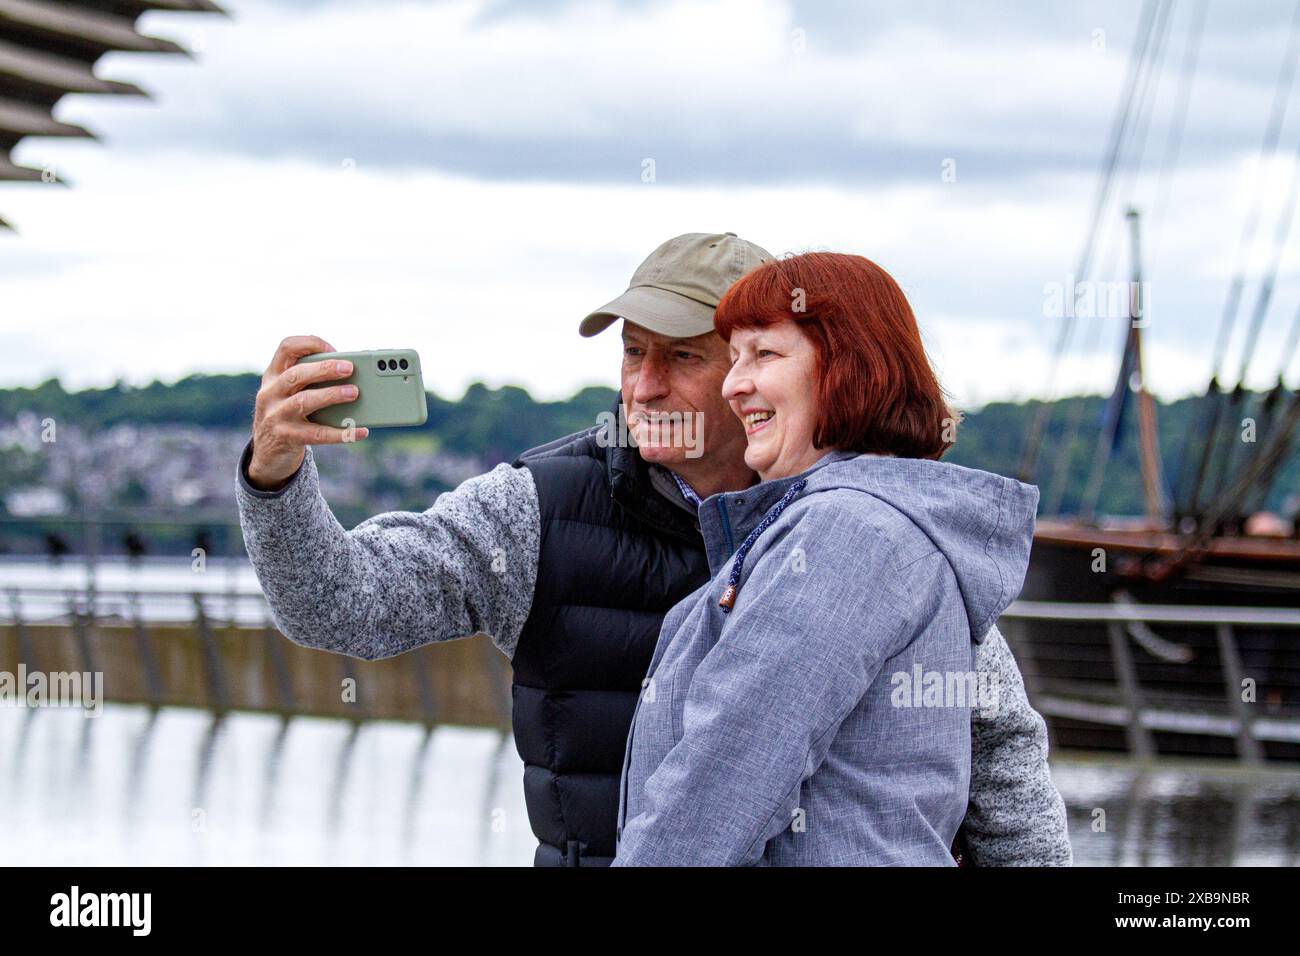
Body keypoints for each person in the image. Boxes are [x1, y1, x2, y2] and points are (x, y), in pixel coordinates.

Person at [235, 232, 1071, 866]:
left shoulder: (853, 533)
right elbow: (338, 602)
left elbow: (999, 761)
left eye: (683, 356)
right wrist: (273, 477)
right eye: (632, 352)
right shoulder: (543, 506)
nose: (642, 386)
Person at [613, 250, 1050, 865]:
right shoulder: (880, 524)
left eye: (764, 355)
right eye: (733, 357)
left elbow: (723, 781)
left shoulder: (847, 534)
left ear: (847, 366)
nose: (735, 384)